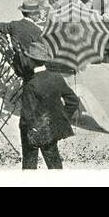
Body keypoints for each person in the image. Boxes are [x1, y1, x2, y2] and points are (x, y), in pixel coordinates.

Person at [16, 41, 82, 170]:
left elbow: (27, 115)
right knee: (54, 162)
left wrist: (24, 127)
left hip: (32, 130)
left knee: (29, 163)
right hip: (51, 127)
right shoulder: (56, 77)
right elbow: (73, 100)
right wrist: (62, 117)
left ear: (32, 61)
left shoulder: (31, 83)